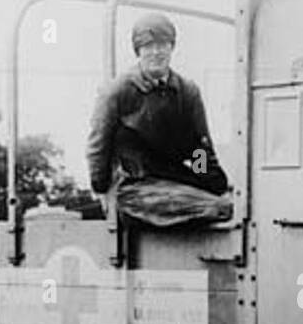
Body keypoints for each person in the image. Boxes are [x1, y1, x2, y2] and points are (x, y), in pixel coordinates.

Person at [86, 12, 233, 227]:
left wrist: (211, 183)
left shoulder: (187, 92)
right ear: (138, 51)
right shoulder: (117, 91)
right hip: (135, 187)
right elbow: (98, 145)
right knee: (219, 209)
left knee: (231, 204)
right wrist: (101, 189)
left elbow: (199, 149)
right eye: (148, 47)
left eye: (162, 45)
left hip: (175, 182)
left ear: (171, 47)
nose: (156, 53)